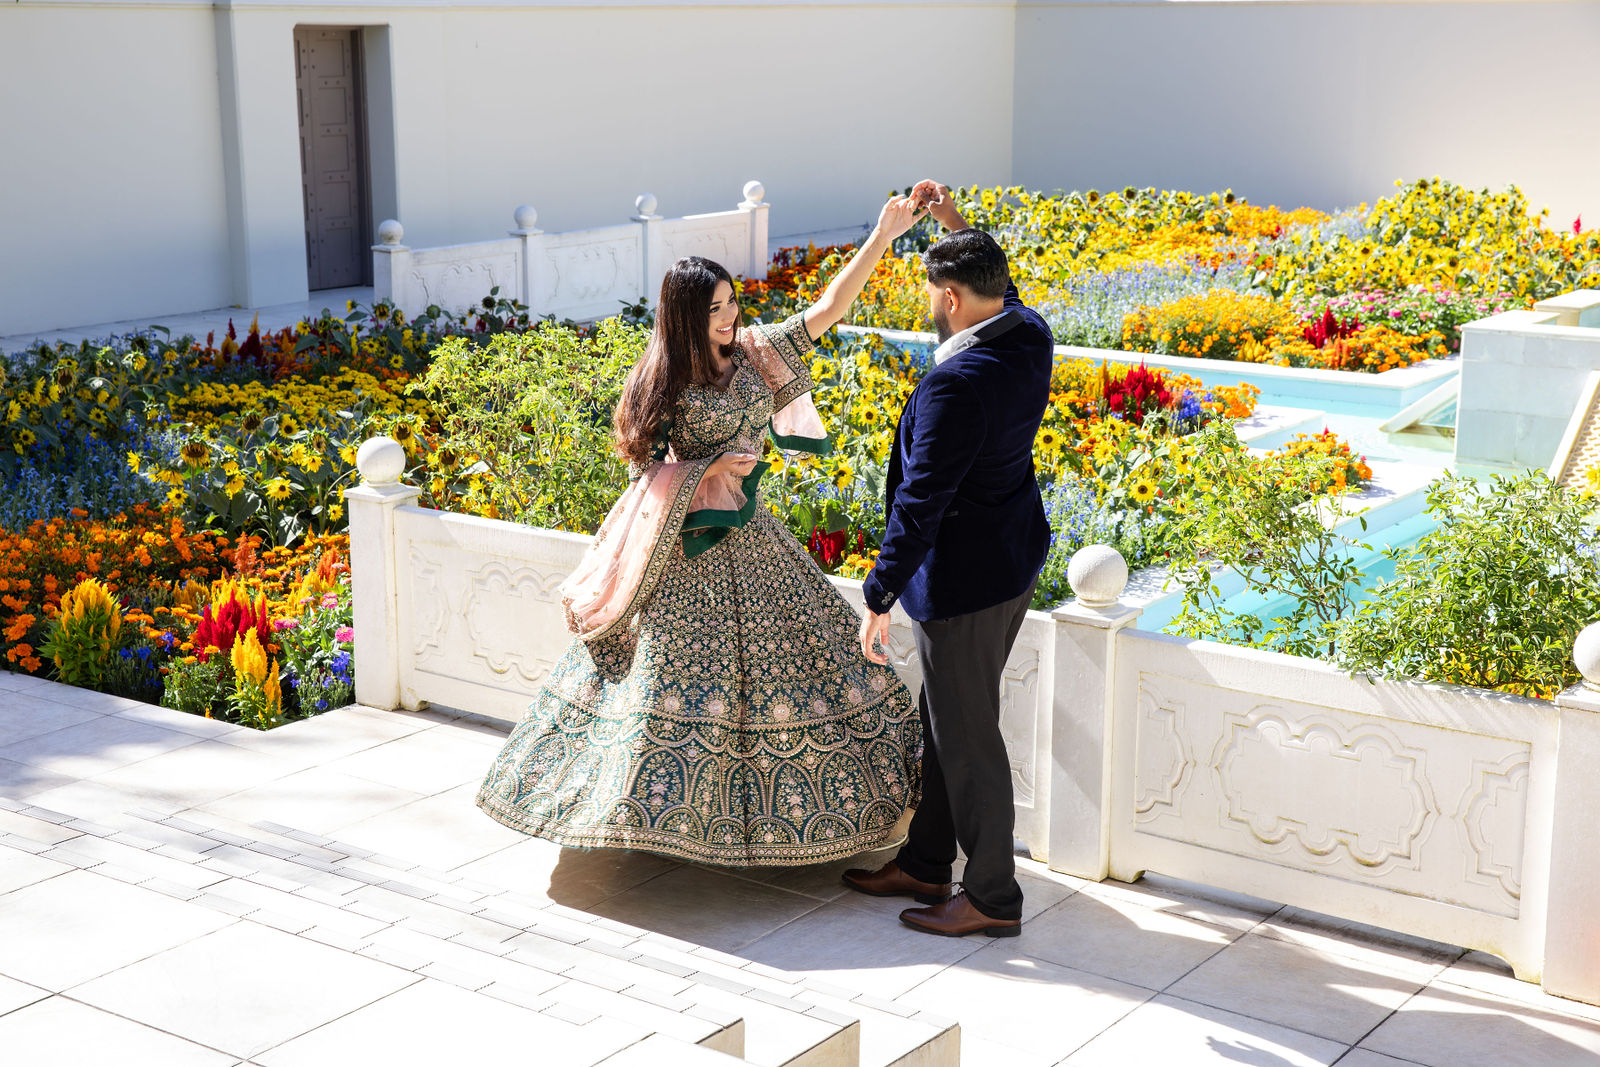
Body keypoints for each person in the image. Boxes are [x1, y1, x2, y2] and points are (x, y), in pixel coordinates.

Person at [477, 194, 930, 866]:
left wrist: (886, 234)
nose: (728, 318)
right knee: (666, 684)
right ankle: (651, 819)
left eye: (730, 303)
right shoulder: (662, 376)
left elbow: (829, 309)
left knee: (803, 669)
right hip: (683, 551)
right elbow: (641, 467)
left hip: (755, 541)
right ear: (685, 316)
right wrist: (706, 468)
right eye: (713, 309)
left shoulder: (754, 354)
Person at [843, 180, 1053, 936]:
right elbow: (1010, 286)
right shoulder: (1028, 335)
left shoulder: (954, 386)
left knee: (969, 741)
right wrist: (950, 223)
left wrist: (878, 594)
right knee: (947, 719)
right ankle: (928, 862)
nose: (928, 301)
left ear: (955, 299)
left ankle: (993, 896)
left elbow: (920, 504)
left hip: (964, 586)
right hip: (1010, 566)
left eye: (935, 289)